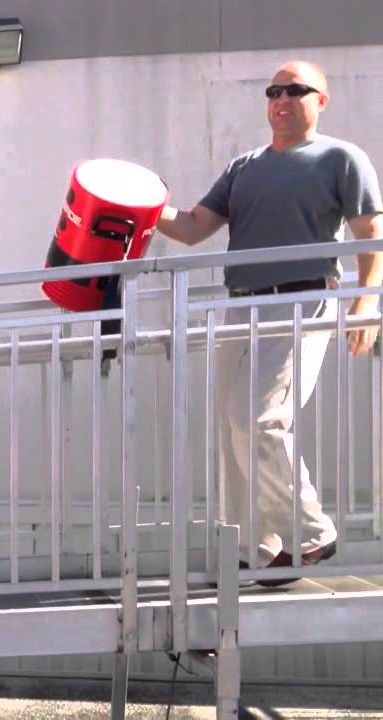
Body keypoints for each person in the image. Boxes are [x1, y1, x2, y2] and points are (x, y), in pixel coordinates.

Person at [156, 60, 383, 584]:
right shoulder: (244, 166)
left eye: (296, 90)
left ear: (320, 100)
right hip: (241, 305)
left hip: (302, 301)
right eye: (274, 91)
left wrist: (366, 304)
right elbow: (192, 228)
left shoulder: (340, 158)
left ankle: (309, 533)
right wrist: (145, 206)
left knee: (259, 421)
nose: (282, 99)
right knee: (231, 430)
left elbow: (370, 231)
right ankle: (260, 549)